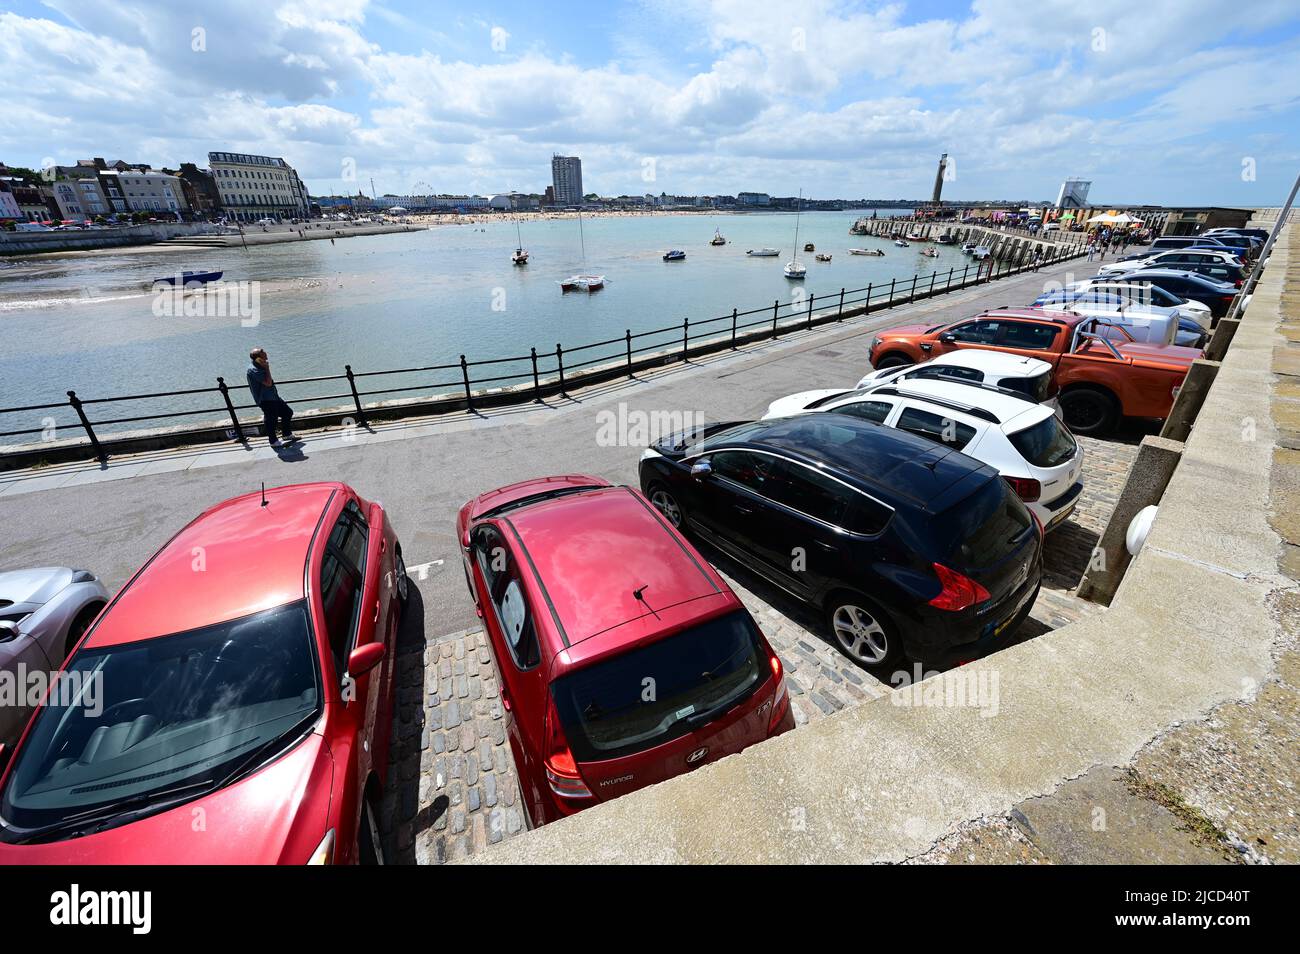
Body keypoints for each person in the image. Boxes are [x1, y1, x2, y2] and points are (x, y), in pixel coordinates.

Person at [246, 347, 296, 446]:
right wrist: (267, 368)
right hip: (265, 399)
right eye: (262, 352)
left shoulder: (261, 365)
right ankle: (273, 441)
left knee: (287, 412)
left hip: (273, 396)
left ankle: (286, 434)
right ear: (258, 357)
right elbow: (268, 383)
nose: (265, 353)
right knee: (271, 420)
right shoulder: (254, 370)